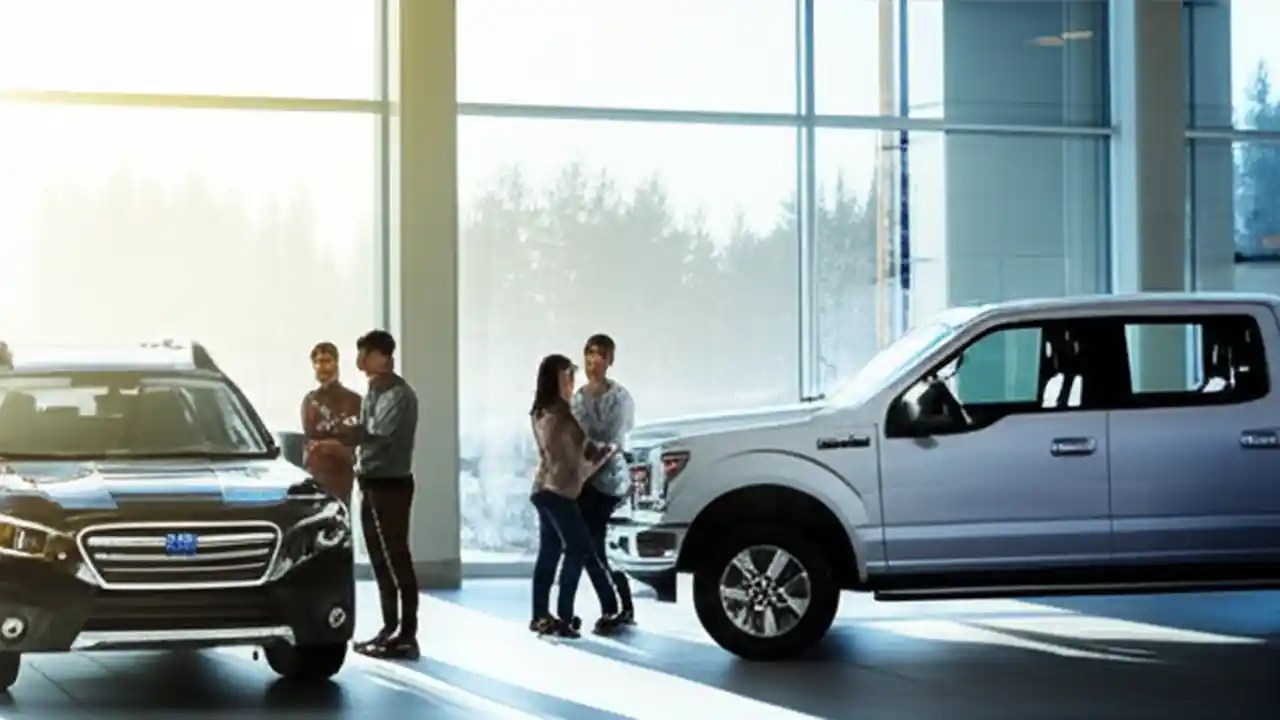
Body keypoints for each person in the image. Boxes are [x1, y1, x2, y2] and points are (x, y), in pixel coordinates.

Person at [327, 330, 421, 660]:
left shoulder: (398, 395)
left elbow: (377, 434)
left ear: (384, 357)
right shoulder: (373, 390)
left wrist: (343, 433)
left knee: (397, 559)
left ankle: (406, 634)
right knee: (380, 560)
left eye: (366, 355)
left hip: (390, 485)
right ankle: (389, 628)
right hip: (369, 481)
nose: (360, 362)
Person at [528, 353, 625, 638]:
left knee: (550, 553)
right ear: (554, 378)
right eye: (567, 374)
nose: (572, 380)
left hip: (545, 490)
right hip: (559, 492)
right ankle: (565, 618)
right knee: (578, 549)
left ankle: (542, 615)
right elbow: (572, 462)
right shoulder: (558, 416)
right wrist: (604, 454)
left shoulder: (544, 412)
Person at [571, 334, 637, 623]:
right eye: (589, 354)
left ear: (610, 360)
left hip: (609, 481)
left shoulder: (620, 398)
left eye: (600, 354)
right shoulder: (578, 398)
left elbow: (612, 437)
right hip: (584, 480)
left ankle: (617, 604)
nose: (593, 361)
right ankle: (617, 604)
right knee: (591, 544)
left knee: (598, 543)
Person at [300, 342, 362, 507]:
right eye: (318, 362)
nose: (322, 367)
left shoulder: (353, 400)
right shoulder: (310, 401)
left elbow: (352, 440)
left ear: (336, 363)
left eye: (327, 361)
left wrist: (328, 446)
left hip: (340, 474)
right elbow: (310, 437)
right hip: (316, 474)